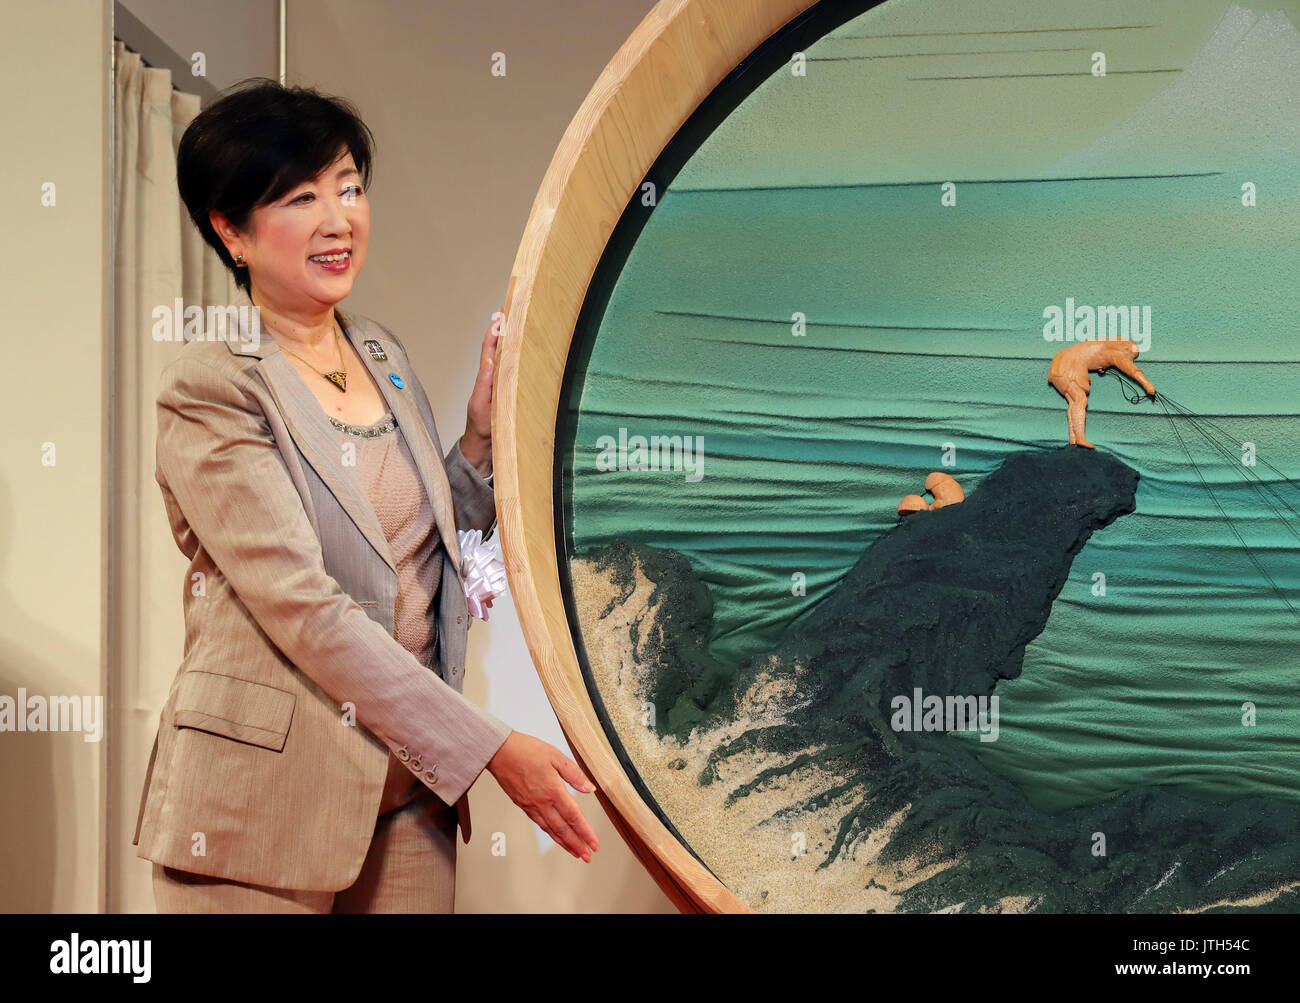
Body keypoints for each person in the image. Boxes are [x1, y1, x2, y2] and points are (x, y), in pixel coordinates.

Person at [133, 79, 599, 913]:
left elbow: (415, 542)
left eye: (348, 187)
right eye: (301, 197)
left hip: (407, 791)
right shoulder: (211, 389)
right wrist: (488, 746)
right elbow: (308, 606)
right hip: (261, 807)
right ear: (231, 231)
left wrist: (481, 439)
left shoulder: (378, 350)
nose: (338, 219)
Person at [1047, 337, 1155, 449]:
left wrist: (1101, 364)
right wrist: (1148, 385)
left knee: (1074, 401)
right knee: (1080, 400)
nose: (1130, 361)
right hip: (1069, 366)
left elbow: (1092, 356)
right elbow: (1131, 369)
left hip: (1059, 363)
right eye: (1131, 357)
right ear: (1126, 349)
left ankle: (1073, 439)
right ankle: (1080, 438)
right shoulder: (1115, 351)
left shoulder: (1104, 344)